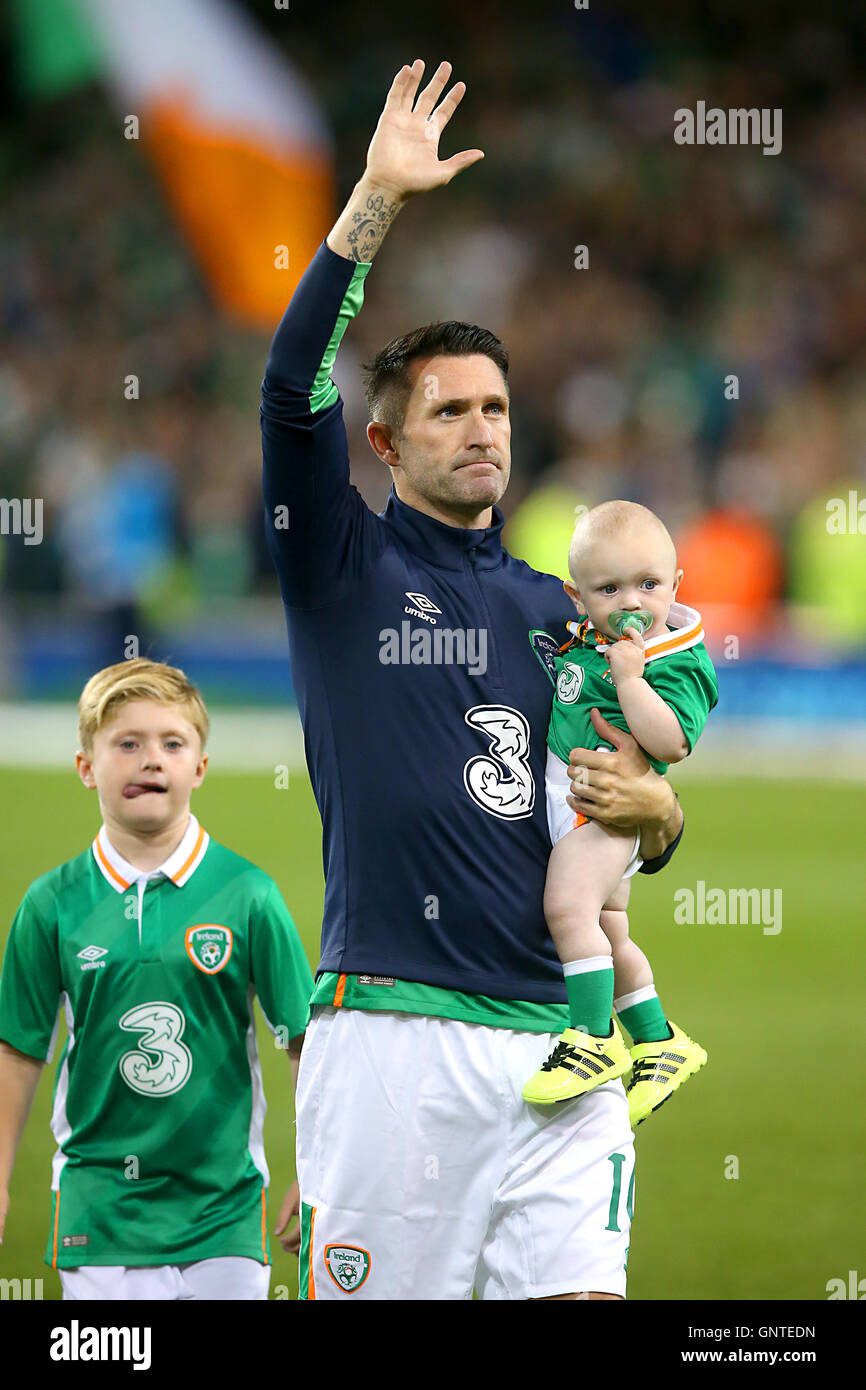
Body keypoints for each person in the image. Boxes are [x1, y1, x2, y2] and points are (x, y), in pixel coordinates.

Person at [261, 58, 684, 1301]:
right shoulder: (339, 565)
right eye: (447, 410)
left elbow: (625, 791)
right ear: (384, 442)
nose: (482, 427)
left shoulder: (559, 611)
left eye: (495, 407)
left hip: (561, 1041)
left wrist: (663, 825)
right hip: (390, 1035)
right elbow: (289, 387)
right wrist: (372, 206)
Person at [0, 658, 312, 1300]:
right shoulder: (51, 903)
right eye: (128, 743)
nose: (152, 760)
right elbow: (17, 1049)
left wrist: (317, 1170)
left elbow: (303, 1042)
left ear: (199, 767)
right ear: (87, 767)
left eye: (172, 743)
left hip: (224, 1214)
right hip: (98, 1209)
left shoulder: (249, 895)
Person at [522, 501, 718, 1122]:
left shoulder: (673, 656)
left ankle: (592, 1037)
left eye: (648, 585)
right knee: (610, 931)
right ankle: (659, 1039)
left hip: (608, 815)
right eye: (609, 589)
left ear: (676, 585)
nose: (632, 603)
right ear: (578, 598)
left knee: (566, 907)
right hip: (577, 807)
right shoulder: (591, 638)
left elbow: (672, 743)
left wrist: (632, 683)